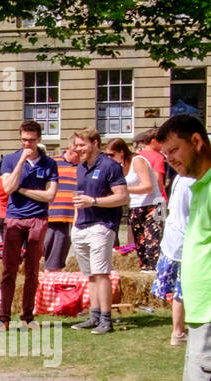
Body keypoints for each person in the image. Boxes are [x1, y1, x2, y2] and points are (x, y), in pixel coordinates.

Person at [156, 115, 211, 381]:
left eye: (174, 150)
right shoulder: (198, 187)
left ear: (196, 141)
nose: (169, 159)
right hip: (198, 313)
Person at [0, 119, 59, 330]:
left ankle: (27, 316)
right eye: (24, 140)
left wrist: (22, 190)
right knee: (9, 269)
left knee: (32, 270)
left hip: (38, 218)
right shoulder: (10, 159)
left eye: (31, 141)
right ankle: (4, 316)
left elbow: (50, 195)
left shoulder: (49, 164)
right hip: (14, 217)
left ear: (39, 140)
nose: (27, 144)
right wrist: (21, 162)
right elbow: (7, 187)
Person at [70, 128, 129, 334]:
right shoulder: (80, 168)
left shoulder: (110, 166)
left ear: (95, 143)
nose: (78, 149)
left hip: (102, 225)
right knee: (91, 275)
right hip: (81, 227)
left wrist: (93, 201)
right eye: (76, 145)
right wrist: (74, 226)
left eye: (81, 145)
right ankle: (94, 316)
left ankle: (106, 319)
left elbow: (122, 197)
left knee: (101, 273)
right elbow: (79, 200)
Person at [104, 137, 162, 270]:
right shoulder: (119, 166)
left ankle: (155, 271)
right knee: (139, 243)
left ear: (121, 152)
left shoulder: (138, 161)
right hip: (136, 205)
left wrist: (123, 190)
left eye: (111, 154)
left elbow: (148, 187)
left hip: (155, 204)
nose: (109, 158)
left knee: (153, 241)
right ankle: (145, 269)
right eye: (107, 155)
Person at [153, 171, 194, 345]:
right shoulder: (191, 180)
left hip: (174, 237)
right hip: (184, 239)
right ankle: (178, 332)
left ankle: (178, 331)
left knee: (181, 289)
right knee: (182, 289)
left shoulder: (181, 176)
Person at [45, 142, 80, 271]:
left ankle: (52, 279)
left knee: (56, 259)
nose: (79, 155)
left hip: (69, 216)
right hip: (50, 213)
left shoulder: (83, 166)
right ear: (67, 148)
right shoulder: (52, 162)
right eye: (76, 152)